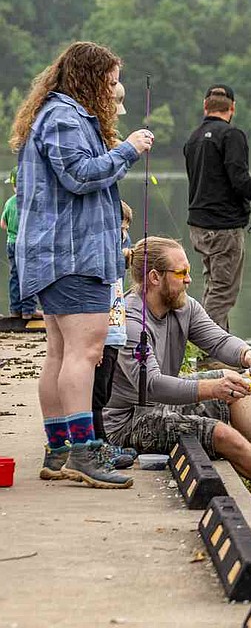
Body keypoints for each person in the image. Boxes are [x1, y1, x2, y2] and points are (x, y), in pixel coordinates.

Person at [103, 236, 251, 510]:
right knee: (221, 434)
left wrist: (247, 354)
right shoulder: (132, 324)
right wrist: (214, 388)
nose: (189, 280)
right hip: (130, 423)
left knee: (236, 389)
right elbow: (153, 386)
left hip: (162, 406)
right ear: (155, 277)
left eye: (189, 271)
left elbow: (218, 341)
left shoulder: (183, 306)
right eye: (181, 273)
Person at [9, 41, 154, 489]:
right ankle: (83, 452)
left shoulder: (58, 114)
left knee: (59, 351)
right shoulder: (64, 117)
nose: (114, 91)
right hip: (71, 255)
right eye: (111, 82)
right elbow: (79, 175)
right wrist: (128, 150)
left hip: (60, 254)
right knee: (85, 352)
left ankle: (59, 450)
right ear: (90, 80)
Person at [183, 84, 251, 331]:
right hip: (223, 228)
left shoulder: (193, 138)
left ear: (205, 106)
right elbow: (239, 179)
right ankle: (209, 346)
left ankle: (216, 341)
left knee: (214, 286)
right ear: (233, 108)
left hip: (199, 226)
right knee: (222, 292)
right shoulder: (232, 136)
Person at [91, 200, 137, 469]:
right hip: (103, 334)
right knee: (96, 395)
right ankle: (97, 445)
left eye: (126, 229)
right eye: (120, 228)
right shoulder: (99, 258)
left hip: (114, 334)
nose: (124, 234)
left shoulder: (115, 253)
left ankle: (102, 442)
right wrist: (96, 339)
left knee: (104, 392)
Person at [1, 165, 42, 319]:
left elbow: (3, 224)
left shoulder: (9, 202)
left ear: (14, 185)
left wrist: (12, 231)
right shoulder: (33, 202)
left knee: (15, 276)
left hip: (11, 243)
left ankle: (15, 309)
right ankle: (29, 310)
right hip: (28, 245)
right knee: (29, 276)